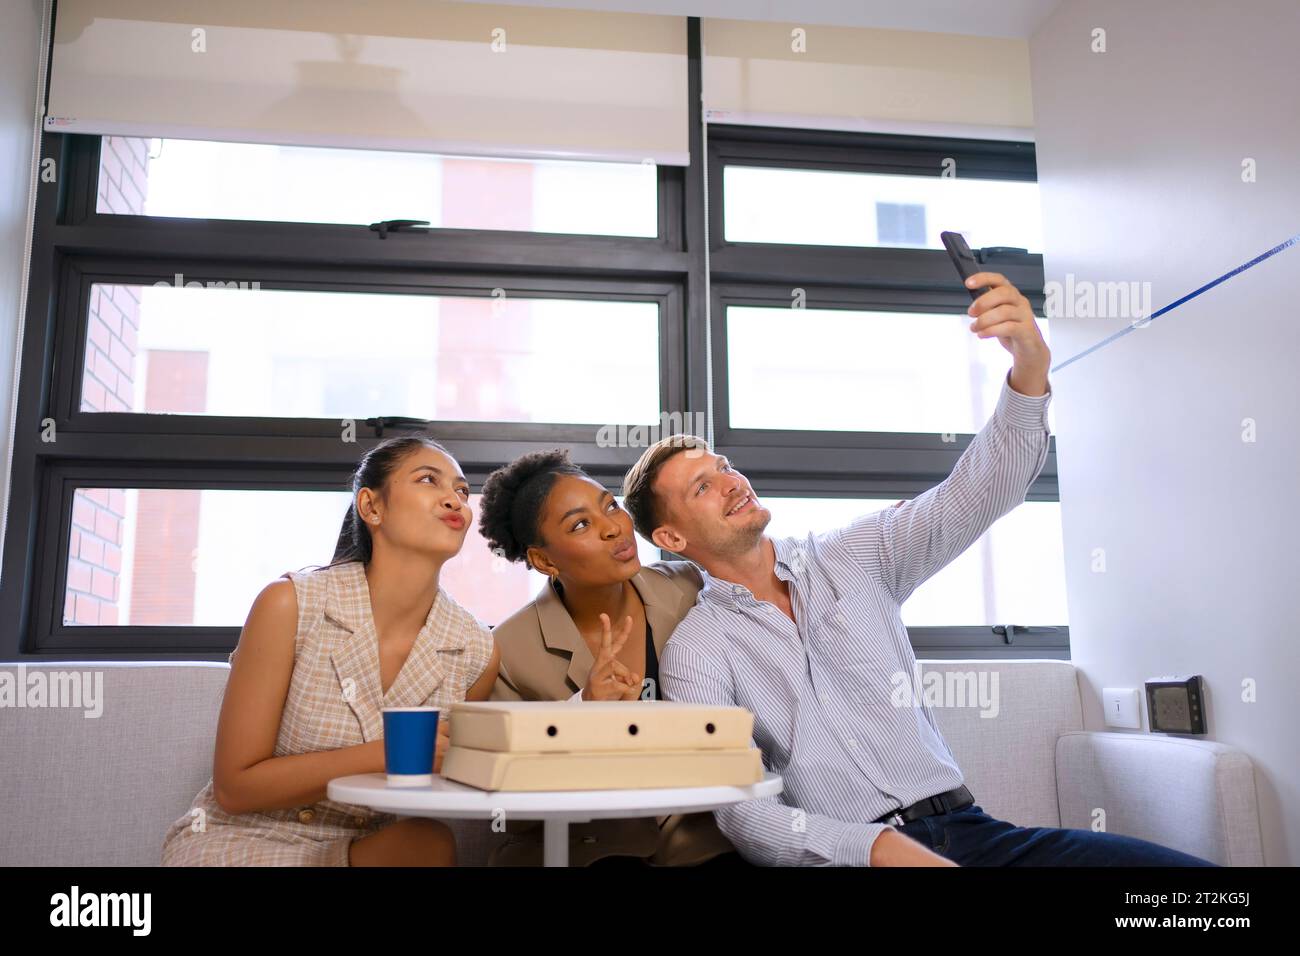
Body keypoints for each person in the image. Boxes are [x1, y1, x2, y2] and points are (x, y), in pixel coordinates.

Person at [628, 271, 1214, 867]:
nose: (730, 481)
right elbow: (741, 812)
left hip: (973, 835)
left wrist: (1029, 369)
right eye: (703, 486)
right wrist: (876, 848)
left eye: (724, 465)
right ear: (672, 537)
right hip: (850, 856)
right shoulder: (698, 649)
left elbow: (977, 492)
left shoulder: (853, 554)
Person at [161, 435, 500, 866]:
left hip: (364, 846)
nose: (455, 500)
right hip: (246, 838)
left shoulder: (476, 650)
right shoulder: (289, 604)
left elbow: (447, 783)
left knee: (428, 841)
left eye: (462, 491)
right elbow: (235, 789)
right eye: (428, 480)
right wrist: (387, 755)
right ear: (371, 507)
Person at [478, 448, 740, 867]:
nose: (613, 529)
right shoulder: (508, 650)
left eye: (611, 507)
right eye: (581, 524)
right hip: (582, 849)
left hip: (698, 842)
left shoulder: (689, 588)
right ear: (544, 560)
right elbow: (510, 812)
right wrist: (583, 714)